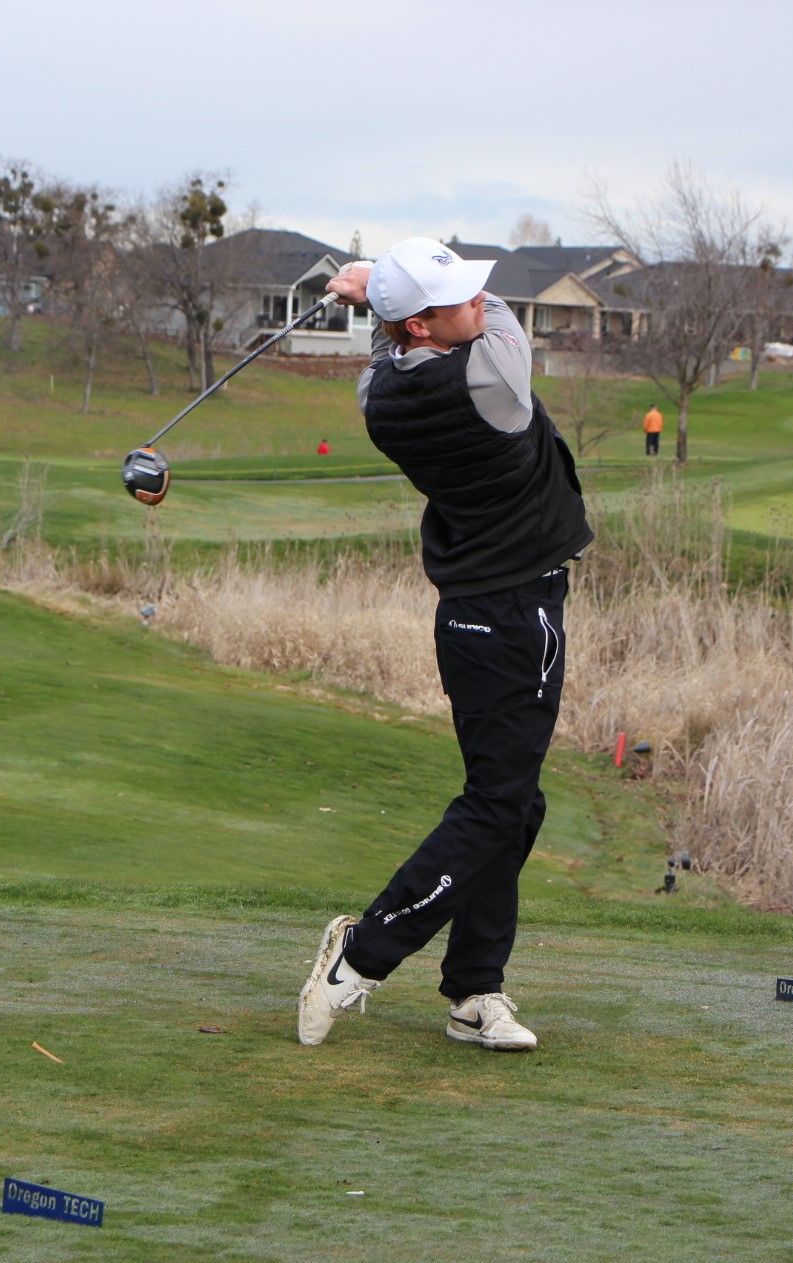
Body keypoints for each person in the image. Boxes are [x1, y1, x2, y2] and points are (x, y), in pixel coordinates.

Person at [297, 238, 594, 1053]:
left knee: (514, 803)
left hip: (468, 614)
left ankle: (473, 992)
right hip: (515, 615)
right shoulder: (493, 375)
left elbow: (389, 347)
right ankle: (362, 953)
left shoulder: (379, 396)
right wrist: (373, 290)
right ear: (425, 327)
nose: (480, 301)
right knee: (499, 804)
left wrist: (374, 299)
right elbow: (500, 320)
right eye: (458, 298)